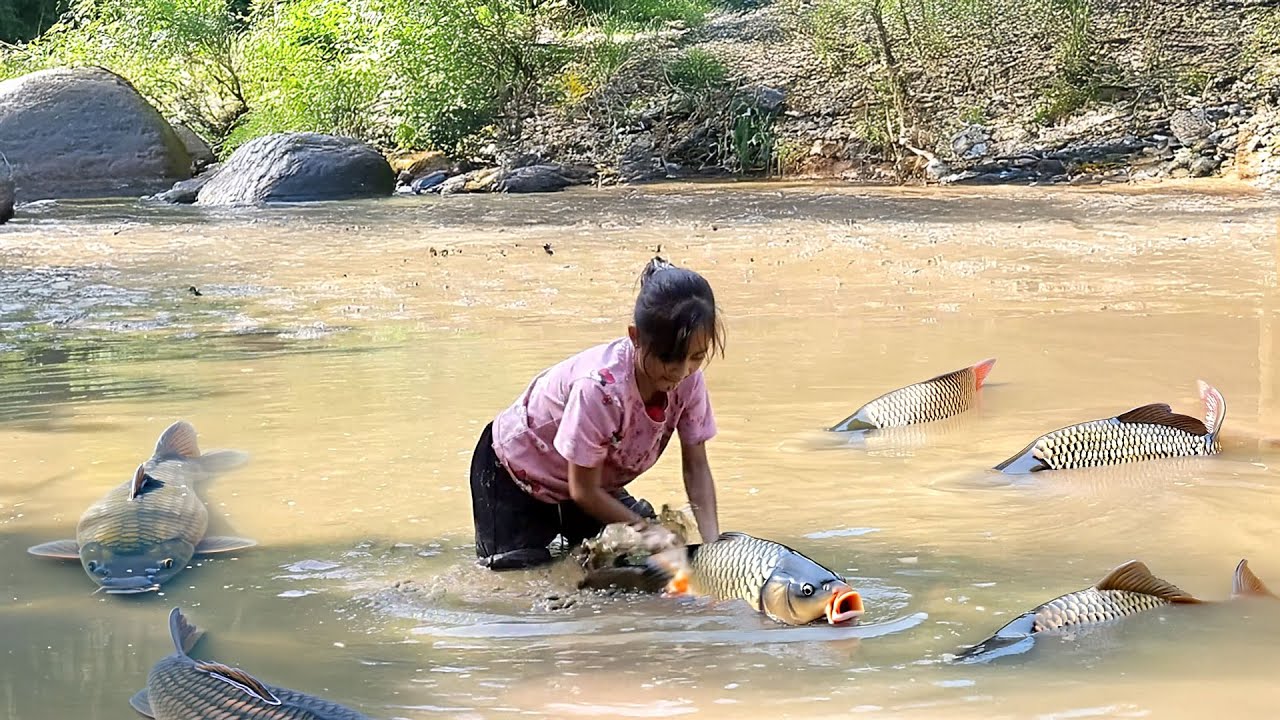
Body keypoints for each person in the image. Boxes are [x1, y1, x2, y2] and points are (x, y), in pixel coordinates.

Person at [469, 256, 725, 570]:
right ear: (635, 338)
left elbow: (696, 466)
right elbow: (583, 490)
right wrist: (647, 532)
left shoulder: (689, 380)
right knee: (519, 576)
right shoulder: (601, 389)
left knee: (632, 563)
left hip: (586, 478)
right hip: (515, 473)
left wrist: (713, 547)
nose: (681, 371)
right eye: (668, 357)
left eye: (696, 357)